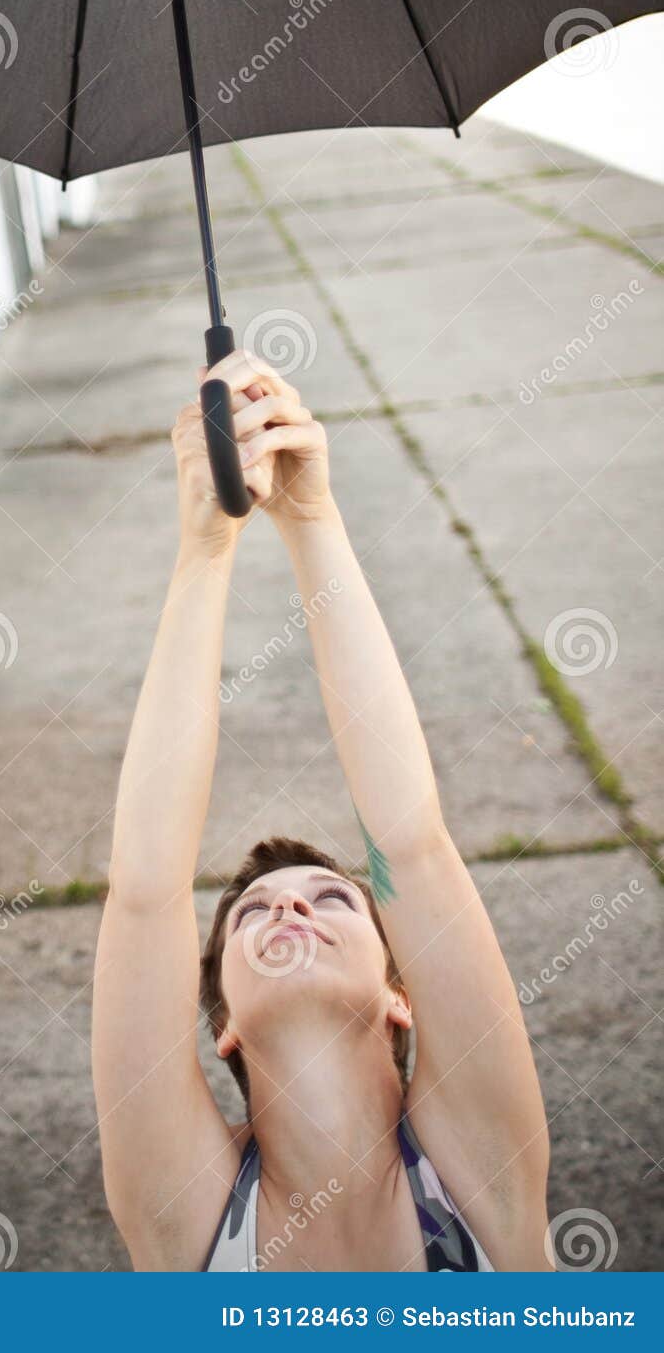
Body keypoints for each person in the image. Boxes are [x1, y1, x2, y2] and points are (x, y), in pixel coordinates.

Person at [91, 349, 551, 1272]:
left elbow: (407, 843)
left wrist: (310, 518)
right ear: (220, 1022)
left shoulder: (479, 1182)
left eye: (336, 899)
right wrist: (204, 547)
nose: (289, 906)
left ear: (399, 994)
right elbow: (145, 891)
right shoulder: (186, 1221)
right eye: (254, 914)